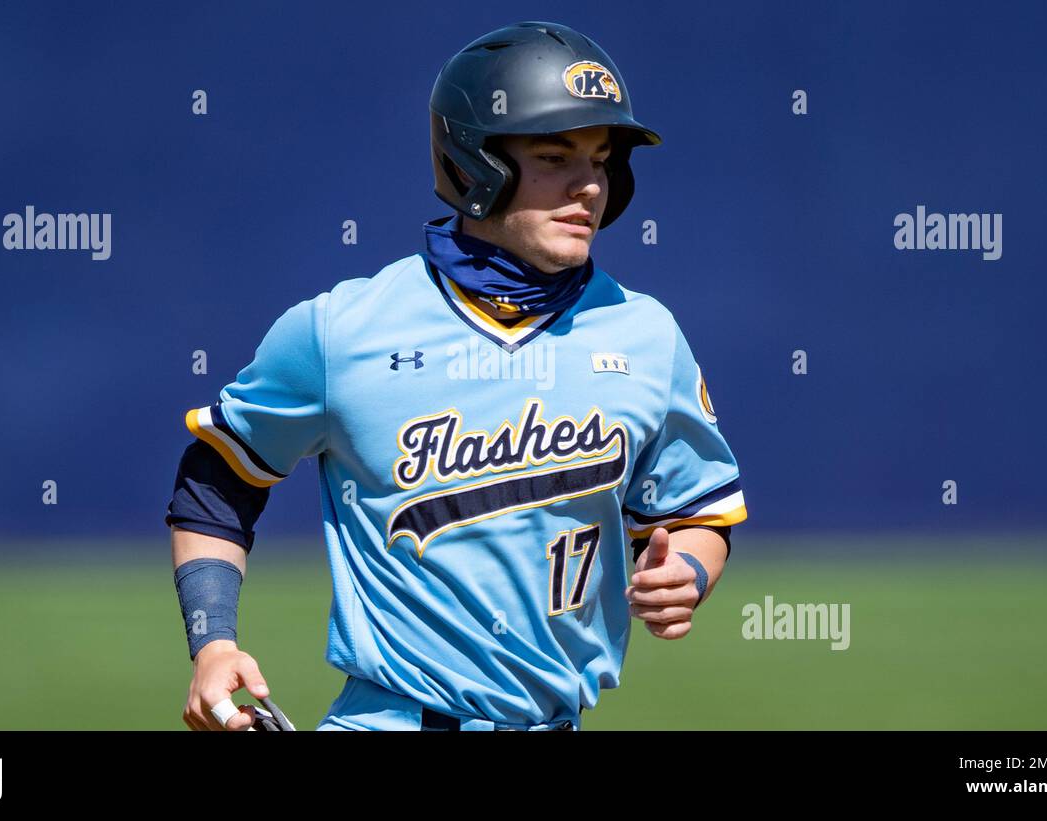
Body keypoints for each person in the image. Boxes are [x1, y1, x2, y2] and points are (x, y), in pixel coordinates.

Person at [166, 20, 747, 732]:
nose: (588, 184)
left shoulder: (646, 335)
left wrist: (684, 573)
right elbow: (219, 474)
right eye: (554, 153)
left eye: (601, 158)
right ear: (476, 164)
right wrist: (212, 641)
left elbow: (695, 513)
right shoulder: (345, 330)